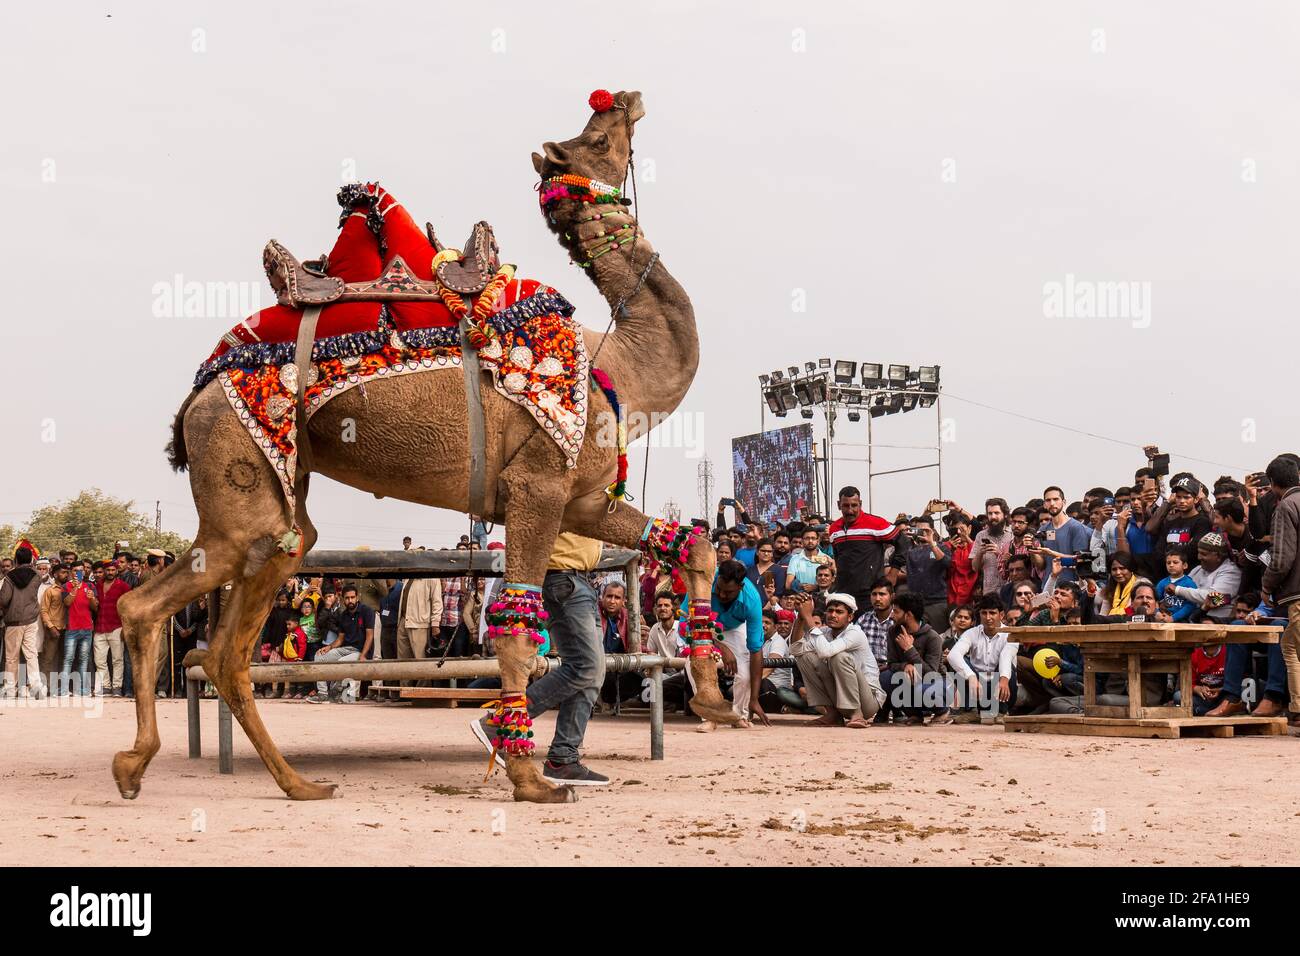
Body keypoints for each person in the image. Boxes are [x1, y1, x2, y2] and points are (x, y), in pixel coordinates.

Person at [474, 533, 612, 786]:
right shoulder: (577, 493)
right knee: (585, 666)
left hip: (579, 580)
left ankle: (563, 758)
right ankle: (500, 722)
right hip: (564, 577)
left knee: (594, 672)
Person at [789, 591, 883, 728]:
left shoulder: (855, 632)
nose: (833, 615)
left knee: (839, 656)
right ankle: (832, 714)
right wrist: (801, 617)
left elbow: (826, 651)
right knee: (805, 657)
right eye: (830, 611)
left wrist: (809, 617)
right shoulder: (826, 632)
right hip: (839, 697)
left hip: (867, 702)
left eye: (839, 612)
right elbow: (796, 650)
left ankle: (857, 715)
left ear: (850, 617)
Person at [1260, 454, 1300, 722]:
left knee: (1292, 647)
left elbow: (1281, 559)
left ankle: (1298, 709)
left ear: (1273, 483)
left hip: (1297, 593)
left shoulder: (1286, 507)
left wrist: (1266, 586)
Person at [946, 595, 1018, 723]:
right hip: (977, 685)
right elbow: (953, 655)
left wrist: (1004, 679)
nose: (988, 617)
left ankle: (1001, 712)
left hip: (1000, 685)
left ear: (1001, 615)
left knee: (1009, 670)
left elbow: (1005, 657)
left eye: (992, 613)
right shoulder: (971, 633)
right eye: (984, 613)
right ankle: (971, 711)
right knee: (958, 663)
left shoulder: (1011, 635)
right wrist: (971, 676)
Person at [828, 486, 901, 612]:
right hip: (844, 593)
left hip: (869, 593)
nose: (850, 510)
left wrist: (893, 573)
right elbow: (838, 556)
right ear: (839, 505)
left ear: (860, 504)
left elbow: (903, 543)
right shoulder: (834, 528)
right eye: (846, 505)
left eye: (854, 505)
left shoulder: (876, 523)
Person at [877, 590, 945, 726]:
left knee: (922, 687)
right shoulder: (893, 631)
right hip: (909, 679)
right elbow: (891, 663)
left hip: (936, 682)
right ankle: (914, 714)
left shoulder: (932, 637)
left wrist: (909, 649)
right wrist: (904, 666)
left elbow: (931, 672)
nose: (891, 616)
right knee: (885, 678)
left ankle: (942, 712)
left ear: (908, 615)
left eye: (896, 611)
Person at [307, 585, 373, 703]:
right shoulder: (343, 615)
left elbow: (370, 636)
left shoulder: (366, 611)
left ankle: (338, 692)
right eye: (347, 598)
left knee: (341, 663)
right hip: (346, 648)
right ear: (343, 599)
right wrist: (329, 647)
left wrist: (363, 655)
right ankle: (322, 694)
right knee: (319, 656)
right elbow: (340, 639)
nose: (350, 600)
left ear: (357, 597)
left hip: (360, 650)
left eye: (353, 597)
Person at [0, 545, 47, 698]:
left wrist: (6, 611)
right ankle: (36, 686)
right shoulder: (37, 576)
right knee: (31, 654)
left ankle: (10, 689)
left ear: (16, 560)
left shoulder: (9, 577)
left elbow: (4, 599)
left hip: (14, 621)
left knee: (11, 657)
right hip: (31, 619)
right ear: (31, 559)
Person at [1167, 533, 1241, 623]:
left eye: (1203, 554)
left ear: (1218, 556)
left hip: (1217, 624)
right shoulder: (1198, 569)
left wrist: (1178, 590)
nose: (1199, 557)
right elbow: (1175, 589)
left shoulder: (1232, 572)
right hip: (1191, 620)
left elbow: (1211, 598)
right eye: (1199, 553)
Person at [1029, 486, 1093, 587]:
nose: (1052, 503)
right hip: (1048, 586)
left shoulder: (1076, 527)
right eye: (1048, 500)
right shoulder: (1043, 530)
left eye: (1055, 499)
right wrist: (1030, 548)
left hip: (1070, 587)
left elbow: (1080, 561)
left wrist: (1052, 553)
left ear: (1064, 502)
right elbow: (1041, 565)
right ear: (1045, 504)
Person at [757, 607, 812, 714]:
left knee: (758, 685)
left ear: (775, 626)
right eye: (761, 622)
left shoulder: (778, 642)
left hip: (775, 687)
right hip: (766, 685)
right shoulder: (759, 641)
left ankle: (785, 708)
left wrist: (749, 682)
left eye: (767, 623)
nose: (763, 625)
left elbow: (769, 668)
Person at [900, 516, 951, 631]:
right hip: (915, 604)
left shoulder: (942, 547)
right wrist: (904, 539)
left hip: (937, 602)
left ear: (932, 531)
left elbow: (947, 563)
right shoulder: (911, 550)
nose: (922, 533)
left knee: (938, 639)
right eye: (919, 530)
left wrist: (932, 544)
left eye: (925, 530)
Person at [92, 559, 131, 697]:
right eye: (107, 570)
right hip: (100, 627)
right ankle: (106, 686)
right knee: (99, 660)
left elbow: (128, 608)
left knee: (117, 660)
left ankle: (117, 687)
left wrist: (126, 628)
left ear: (116, 571)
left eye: (112, 570)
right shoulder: (97, 585)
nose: (110, 572)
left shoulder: (123, 586)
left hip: (116, 626)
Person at [971, 497, 1014, 596]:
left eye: (996, 513)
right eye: (990, 513)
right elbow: (974, 568)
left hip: (1009, 591)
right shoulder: (981, 535)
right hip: (989, 592)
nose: (993, 517)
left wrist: (999, 553)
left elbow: (1017, 563)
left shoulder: (1013, 534)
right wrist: (980, 553)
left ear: (1005, 514)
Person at [854, 578, 895, 677]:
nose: (877, 599)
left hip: (891, 669)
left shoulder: (898, 620)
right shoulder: (863, 620)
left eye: (882, 594)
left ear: (892, 597)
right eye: (874, 594)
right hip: (865, 668)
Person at [1155, 547, 1198, 623]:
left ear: (1184, 565)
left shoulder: (1189, 583)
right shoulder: (1162, 582)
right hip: (1163, 618)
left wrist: (1173, 618)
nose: (1171, 565)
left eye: (1175, 562)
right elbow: (1155, 600)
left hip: (1183, 620)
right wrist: (1158, 612)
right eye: (1168, 563)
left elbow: (1191, 605)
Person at [785, 527, 830, 593]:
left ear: (818, 540)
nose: (810, 541)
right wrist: (799, 586)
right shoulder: (795, 559)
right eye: (807, 538)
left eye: (813, 538)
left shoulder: (826, 558)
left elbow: (832, 583)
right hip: (801, 598)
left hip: (821, 598)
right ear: (802, 541)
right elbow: (788, 585)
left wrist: (816, 587)